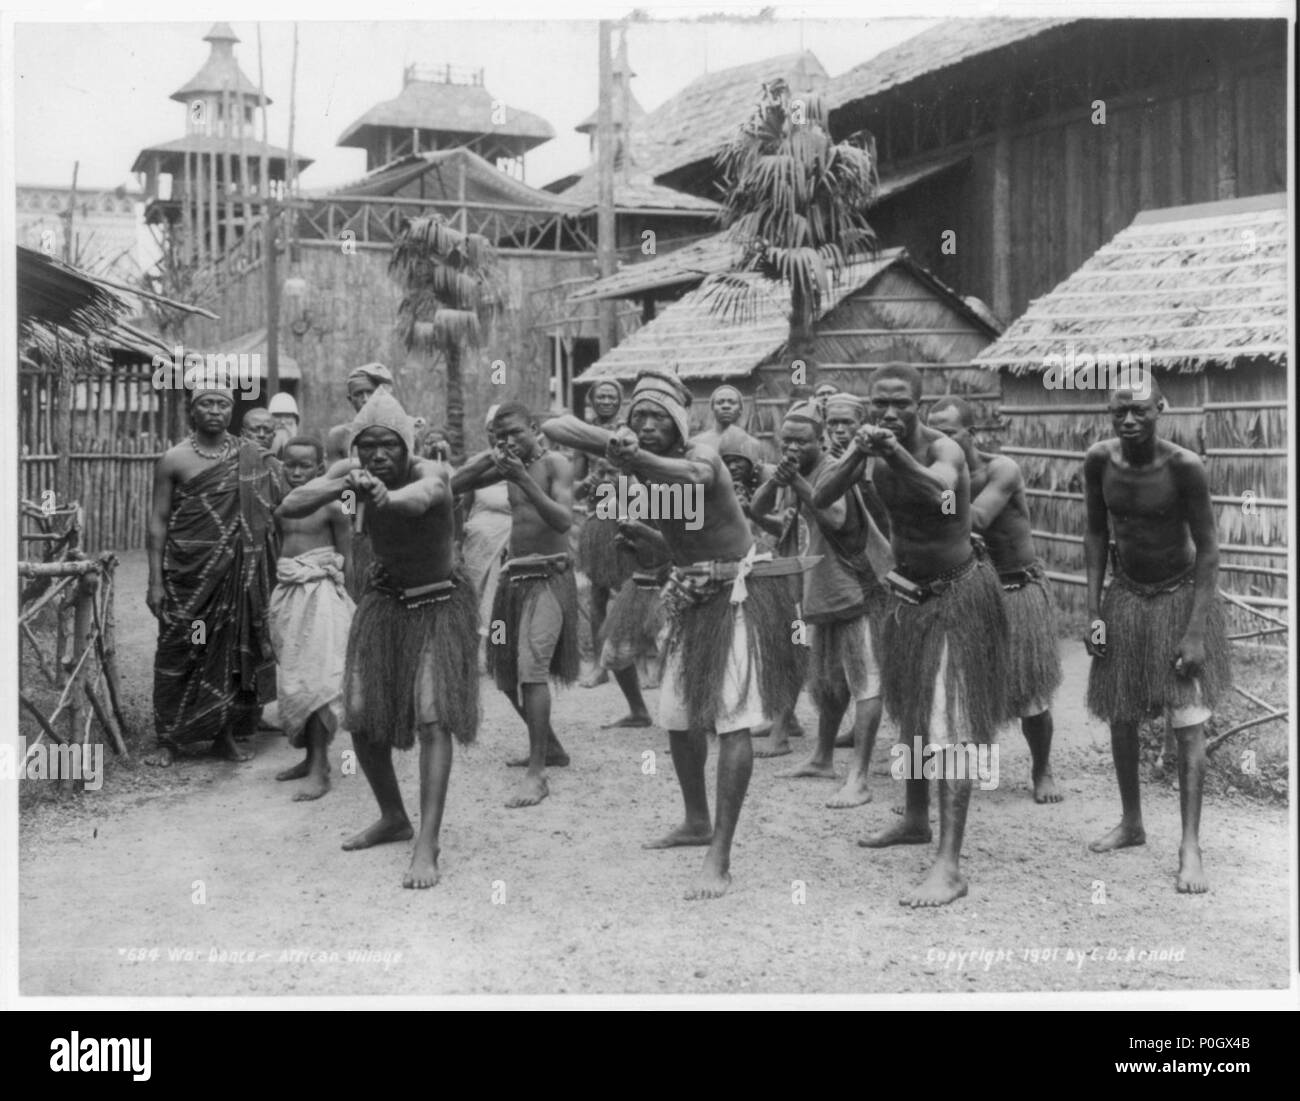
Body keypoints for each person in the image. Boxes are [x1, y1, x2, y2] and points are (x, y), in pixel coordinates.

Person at [544, 370, 807, 900]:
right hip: (689, 597)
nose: (644, 423)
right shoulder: (637, 469)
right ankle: (696, 821)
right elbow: (557, 422)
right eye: (637, 415)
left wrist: (631, 454)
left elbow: (689, 479)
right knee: (679, 718)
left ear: (680, 422)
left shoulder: (703, 455)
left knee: (731, 721)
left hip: (736, 596)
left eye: (656, 416)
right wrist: (646, 531)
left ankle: (721, 856)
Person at [815, 364, 1008, 908]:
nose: (891, 414)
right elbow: (821, 494)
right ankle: (916, 821)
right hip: (907, 597)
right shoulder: (870, 450)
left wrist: (894, 451)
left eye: (902, 404)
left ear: (920, 405)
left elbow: (943, 491)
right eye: (881, 404)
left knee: (953, 725)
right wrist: (857, 451)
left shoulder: (943, 450)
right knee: (914, 715)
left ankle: (950, 867)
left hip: (958, 595)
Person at [278, 391, 478, 888]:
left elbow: (426, 497)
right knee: (363, 719)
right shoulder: (353, 469)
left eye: (389, 446)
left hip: (438, 604)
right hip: (385, 603)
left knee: (433, 718)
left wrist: (388, 497)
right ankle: (394, 816)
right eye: (367, 447)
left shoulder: (430, 472)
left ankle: (427, 842)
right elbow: (289, 504)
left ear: (406, 445)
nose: (378, 456)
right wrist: (344, 482)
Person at [1083, 372, 1230, 894]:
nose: (1129, 420)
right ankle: (1131, 822)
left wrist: (1194, 633)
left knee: (1189, 722)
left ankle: (1190, 847)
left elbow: (1209, 549)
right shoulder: (1099, 459)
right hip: (1126, 596)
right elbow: (1097, 532)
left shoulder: (1184, 467)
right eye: (1119, 410)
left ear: (1160, 408)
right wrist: (1094, 610)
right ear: (1109, 412)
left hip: (1178, 596)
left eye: (1139, 410)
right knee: (1121, 714)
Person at [752, 401, 888, 808]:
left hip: (854, 588)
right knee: (829, 681)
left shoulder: (832, 469)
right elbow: (759, 511)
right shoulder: (800, 471)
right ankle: (822, 757)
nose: (793, 447)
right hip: (825, 590)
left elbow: (834, 518)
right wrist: (778, 480)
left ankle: (859, 778)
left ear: (821, 440)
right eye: (786, 440)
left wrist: (795, 484)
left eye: (801, 440)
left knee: (866, 682)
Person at [929, 397, 1064, 803]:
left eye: (949, 431)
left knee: (1030, 694)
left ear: (972, 433)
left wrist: (923, 494)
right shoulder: (937, 475)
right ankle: (967, 776)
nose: (940, 440)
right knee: (964, 690)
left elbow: (978, 521)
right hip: (972, 591)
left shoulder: (1000, 469)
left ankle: (1042, 770)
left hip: (1017, 589)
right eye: (933, 432)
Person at [145, 385, 282, 766]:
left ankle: (222, 735)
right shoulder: (174, 459)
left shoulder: (249, 456)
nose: (215, 410)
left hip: (233, 577)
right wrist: (155, 581)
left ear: (231, 411)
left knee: (224, 650)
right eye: (206, 403)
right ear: (193, 411)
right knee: (186, 645)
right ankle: (169, 739)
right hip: (189, 578)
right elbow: (158, 523)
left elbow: (286, 494)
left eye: (222, 404)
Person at [452, 402, 577, 809]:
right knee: (504, 675)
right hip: (515, 576)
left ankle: (538, 773)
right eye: (499, 436)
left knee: (531, 669)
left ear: (535, 429)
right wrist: (494, 458)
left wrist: (523, 477)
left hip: (549, 576)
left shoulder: (556, 463)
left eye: (515, 434)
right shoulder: (505, 463)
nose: (508, 442)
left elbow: (561, 520)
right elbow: (454, 483)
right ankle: (552, 747)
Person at [268, 436, 354, 801]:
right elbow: (277, 555)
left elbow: (349, 558)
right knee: (295, 680)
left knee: (319, 680)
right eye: (291, 465)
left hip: (322, 597)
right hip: (289, 595)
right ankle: (308, 758)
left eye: (306, 465)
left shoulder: (334, 507)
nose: (298, 472)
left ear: (321, 468)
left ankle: (321, 767)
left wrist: (353, 601)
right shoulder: (281, 508)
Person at [718, 424, 807, 758]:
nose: (733, 466)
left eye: (739, 461)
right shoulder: (720, 483)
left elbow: (785, 527)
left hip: (789, 576)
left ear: (754, 462)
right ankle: (787, 719)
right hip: (755, 579)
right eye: (727, 460)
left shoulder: (778, 482)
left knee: (792, 648)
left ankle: (782, 733)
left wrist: (749, 511)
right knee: (770, 649)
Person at [573, 379, 632, 688]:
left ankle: (633, 659)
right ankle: (599, 665)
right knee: (597, 594)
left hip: (629, 515)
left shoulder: (631, 432)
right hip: (598, 518)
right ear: (592, 401)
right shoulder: (584, 436)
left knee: (633, 590)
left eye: (612, 396)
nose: (607, 400)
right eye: (601, 396)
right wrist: (590, 482)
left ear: (620, 401)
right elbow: (574, 484)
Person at [459, 405, 514, 670]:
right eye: (493, 431)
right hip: (478, 544)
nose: (499, 437)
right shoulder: (476, 464)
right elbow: (461, 505)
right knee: (475, 602)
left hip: (509, 544)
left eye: (505, 431)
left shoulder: (522, 465)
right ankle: (473, 655)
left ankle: (498, 653)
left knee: (498, 605)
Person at [326, 363, 394, 462]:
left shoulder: (405, 430)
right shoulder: (339, 436)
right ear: (350, 400)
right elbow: (332, 475)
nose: (365, 399)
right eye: (358, 394)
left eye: (370, 392)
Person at [691, 383, 747, 450]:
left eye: (732, 402)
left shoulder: (751, 444)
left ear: (740, 409)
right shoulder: (696, 443)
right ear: (712, 408)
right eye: (720, 402)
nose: (726, 406)